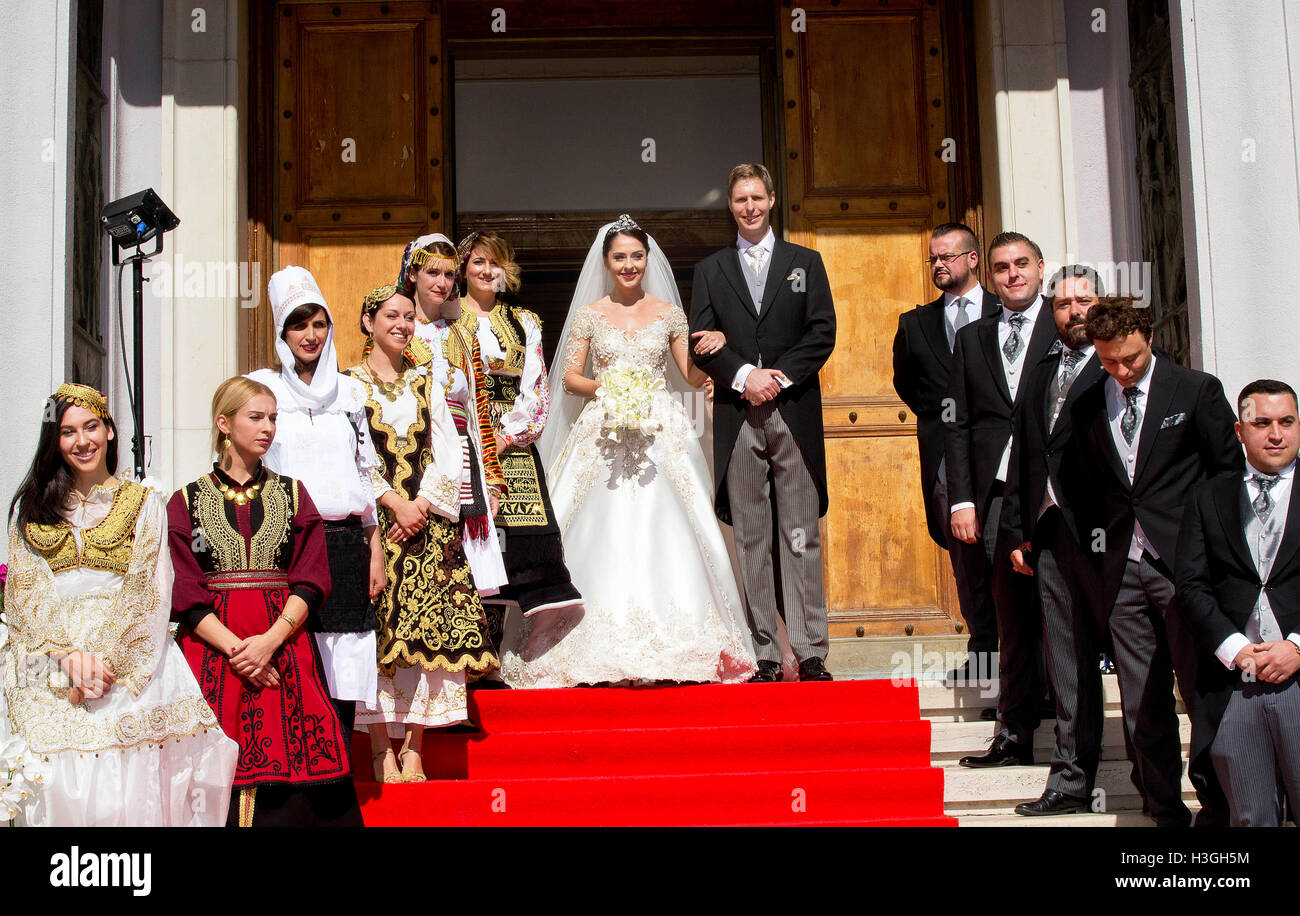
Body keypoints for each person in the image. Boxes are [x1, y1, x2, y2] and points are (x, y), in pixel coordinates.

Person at [504, 215, 757, 688]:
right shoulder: (590, 314)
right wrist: (610, 387)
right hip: (604, 429)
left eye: (636, 256)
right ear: (606, 262)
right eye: (619, 257)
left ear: (646, 259)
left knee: (672, 522)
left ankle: (684, 638)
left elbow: (690, 374)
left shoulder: (667, 313)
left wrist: (714, 356)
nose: (629, 264)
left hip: (660, 431)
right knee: (592, 521)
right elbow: (571, 378)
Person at [1, 383, 237, 826]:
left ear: (109, 430)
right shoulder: (33, 509)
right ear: (55, 441)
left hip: (130, 664)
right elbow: (25, 592)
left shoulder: (146, 503)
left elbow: (149, 590)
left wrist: (104, 667)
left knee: (127, 793)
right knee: (51, 782)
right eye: (68, 432)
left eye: (91, 426)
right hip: (51, 660)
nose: (82, 441)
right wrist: (66, 658)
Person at [1063, 301, 1242, 826]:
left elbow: (1226, 473)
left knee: (1203, 692)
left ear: (1148, 336)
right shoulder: (1089, 401)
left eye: (1132, 360)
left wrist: (1213, 555)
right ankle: (1163, 813)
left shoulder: (1196, 389)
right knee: (1142, 704)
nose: (1122, 371)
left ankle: (1218, 807)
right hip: (1122, 573)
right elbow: (1086, 488)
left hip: (1188, 571)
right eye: (1110, 362)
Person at [169, 376, 359, 826]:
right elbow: (185, 588)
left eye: (273, 418)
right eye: (256, 417)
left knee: (298, 759)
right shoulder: (186, 501)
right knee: (211, 764)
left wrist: (268, 643)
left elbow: (312, 578)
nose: (268, 427)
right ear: (224, 423)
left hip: (285, 645)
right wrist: (240, 651)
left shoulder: (293, 494)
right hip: (212, 652)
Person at [688, 163, 837, 682]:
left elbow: (822, 333)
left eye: (757, 197)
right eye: (739, 200)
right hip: (737, 415)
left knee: (799, 533)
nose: (749, 207)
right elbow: (700, 342)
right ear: (730, 206)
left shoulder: (806, 263)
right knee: (751, 536)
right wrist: (745, 375)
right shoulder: (710, 270)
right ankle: (766, 655)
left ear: (772, 200)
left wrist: (778, 379)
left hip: (792, 412)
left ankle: (811, 651)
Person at [345, 284, 497, 780]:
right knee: (376, 633)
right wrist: (391, 502)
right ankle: (377, 746)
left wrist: (423, 504)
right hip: (376, 525)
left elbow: (448, 449)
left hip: (426, 525)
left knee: (425, 632)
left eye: (409, 317)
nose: (402, 324)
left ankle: (414, 744)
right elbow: (350, 456)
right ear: (369, 322)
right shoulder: (348, 385)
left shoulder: (426, 379)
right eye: (392, 315)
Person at [246, 265, 384, 764]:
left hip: (346, 542)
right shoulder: (261, 389)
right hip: (285, 542)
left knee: (342, 662)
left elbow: (364, 476)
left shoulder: (350, 394)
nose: (310, 335)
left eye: (318, 323)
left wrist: (376, 551)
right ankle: (291, 772)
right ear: (282, 332)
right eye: (298, 324)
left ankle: (338, 773)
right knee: (293, 657)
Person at [947, 231, 1057, 767]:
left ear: (1040, 268)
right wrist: (962, 500)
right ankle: (1013, 734)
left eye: (1021, 264)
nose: (1012, 275)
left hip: (1052, 495)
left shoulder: (1065, 328)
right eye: (1001, 268)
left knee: (1059, 609)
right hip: (992, 494)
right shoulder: (971, 338)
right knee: (1009, 611)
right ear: (988, 276)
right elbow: (960, 424)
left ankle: (1068, 728)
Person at [1003, 266, 1108, 814]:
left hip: (1111, 542)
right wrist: (1020, 532)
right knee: (1065, 661)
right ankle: (1069, 779)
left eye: (1084, 301)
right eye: (1063, 304)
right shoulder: (1042, 371)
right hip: (1051, 536)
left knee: (1139, 662)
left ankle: (1163, 786)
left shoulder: (1120, 368)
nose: (1074, 312)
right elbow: (1025, 454)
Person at [1176, 379, 1300, 827]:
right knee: (1249, 818)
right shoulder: (1207, 495)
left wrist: (1296, 646)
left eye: (1286, 422)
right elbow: (1191, 584)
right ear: (1239, 430)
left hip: (1299, 675)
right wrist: (1233, 648)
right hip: (1234, 684)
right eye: (1261, 423)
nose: (1276, 434)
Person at [454, 230, 583, 624]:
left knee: (519, 546)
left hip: (512, 447)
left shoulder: (523, 321)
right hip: (460, 438)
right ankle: (475, 649)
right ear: (462, 268)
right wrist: (474, 436)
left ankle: (510, 652)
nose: (487, 270)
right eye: (478, 261)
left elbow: (536, 388)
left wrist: (506, 436)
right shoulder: (441, 320)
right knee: (469, 540)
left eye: (495, 262)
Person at [892, 222, 1001, 683]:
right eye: (933, 258)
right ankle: (983, 658)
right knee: (966, 561)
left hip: (1003, 455)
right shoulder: (914, 324)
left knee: (1011, 554)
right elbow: (907, 384)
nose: (939, 264)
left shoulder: (1006, 311)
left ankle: (1028, 662)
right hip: (945, 460)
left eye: (948, 257)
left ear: (972, 260)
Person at [398, 233, 509, 643]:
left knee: (468, 566)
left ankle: (471, 660)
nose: (442, 282)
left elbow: (479, 408)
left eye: (448, 273)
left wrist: (492, 478)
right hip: (418, 459)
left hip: (465, 457)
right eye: (432, 272)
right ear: (412, 273)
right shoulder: (397, 326)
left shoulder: (461, 332)